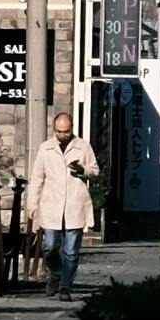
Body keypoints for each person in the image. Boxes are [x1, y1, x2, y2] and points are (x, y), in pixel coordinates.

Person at [30, 111, 100, 297]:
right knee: (50, 246)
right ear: (54, 129)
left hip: (75, 203)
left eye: (66, 131)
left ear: (72, 129)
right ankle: (56, 273)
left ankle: (65, 287)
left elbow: (95, 171)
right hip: (51, 204)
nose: (62, 135)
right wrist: (32, 204)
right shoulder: (46, 148)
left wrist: (82, 169)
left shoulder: (83, 146)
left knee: (71, 251)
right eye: (59, 131)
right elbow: (37, 178)